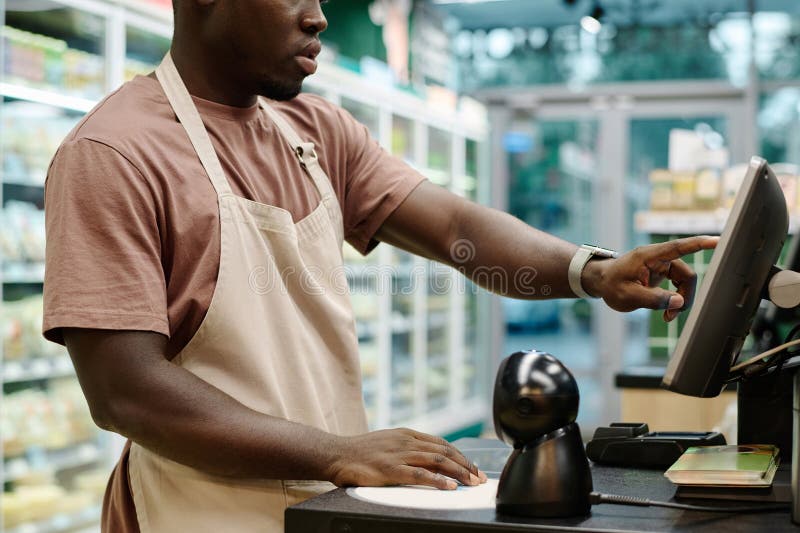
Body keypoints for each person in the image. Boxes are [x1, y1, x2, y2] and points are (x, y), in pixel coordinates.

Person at [42, 1, 717, 531]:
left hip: (326, 502)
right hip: (197, 508)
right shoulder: (115, 152)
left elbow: (454, 227)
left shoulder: (315, 132)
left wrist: (589, 270)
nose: (318, 16)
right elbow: (124, 389)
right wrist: (335, 451)